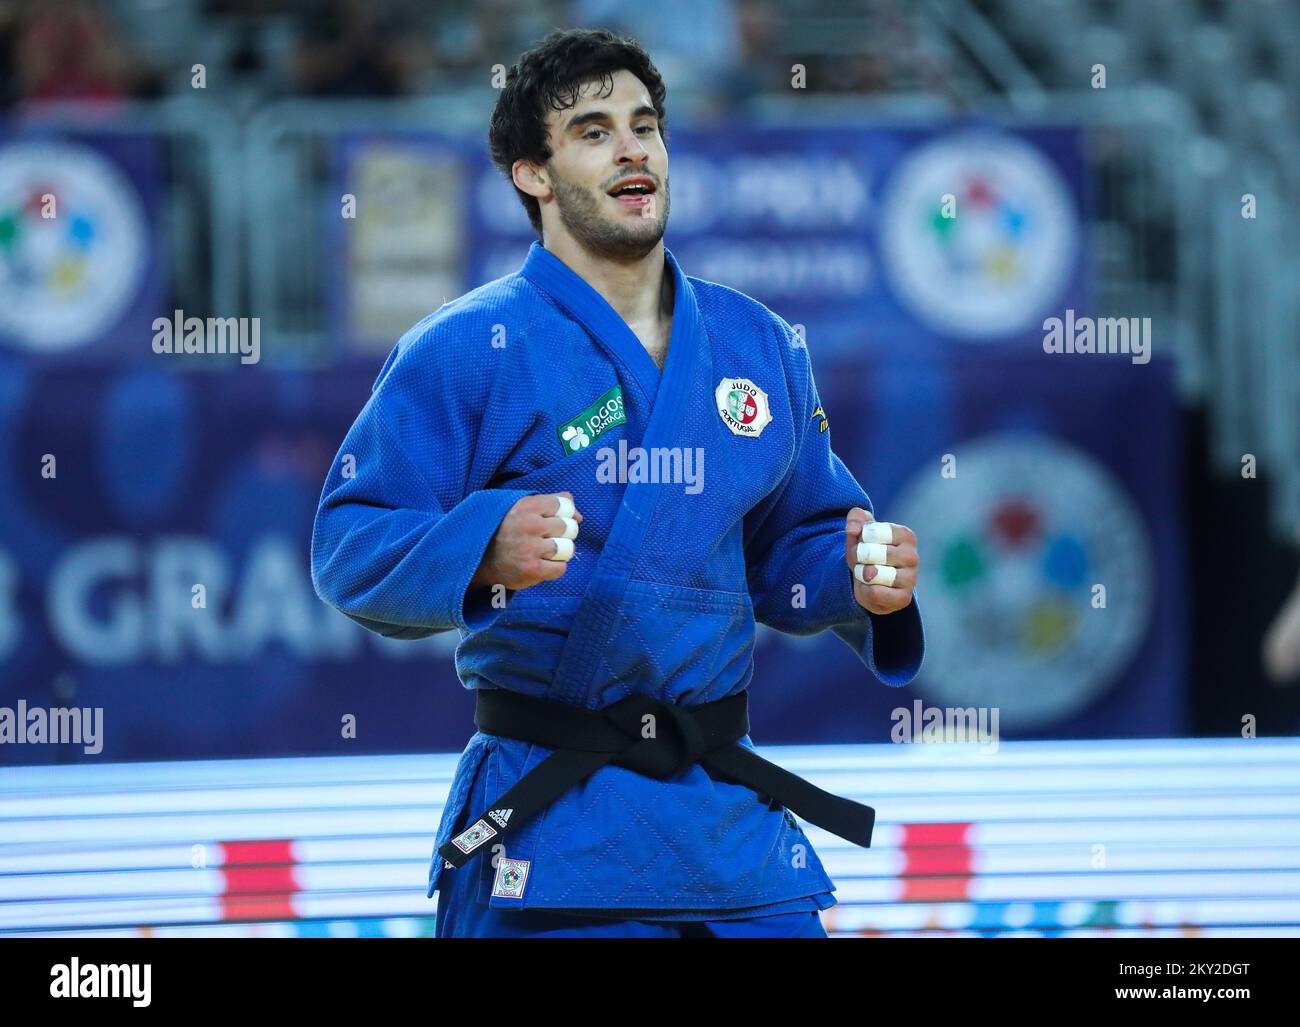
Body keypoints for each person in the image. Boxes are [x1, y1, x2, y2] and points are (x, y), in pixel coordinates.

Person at [311, 28, 924, 938]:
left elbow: (793, 542)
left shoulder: (756, 341)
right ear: (532, 172)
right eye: (594, 131)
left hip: (727, 824)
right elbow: (349, 543)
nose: (633, 148)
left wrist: (859, 576)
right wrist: (484, 546)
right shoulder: (466, 348)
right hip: (557, 824)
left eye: (645, 125)